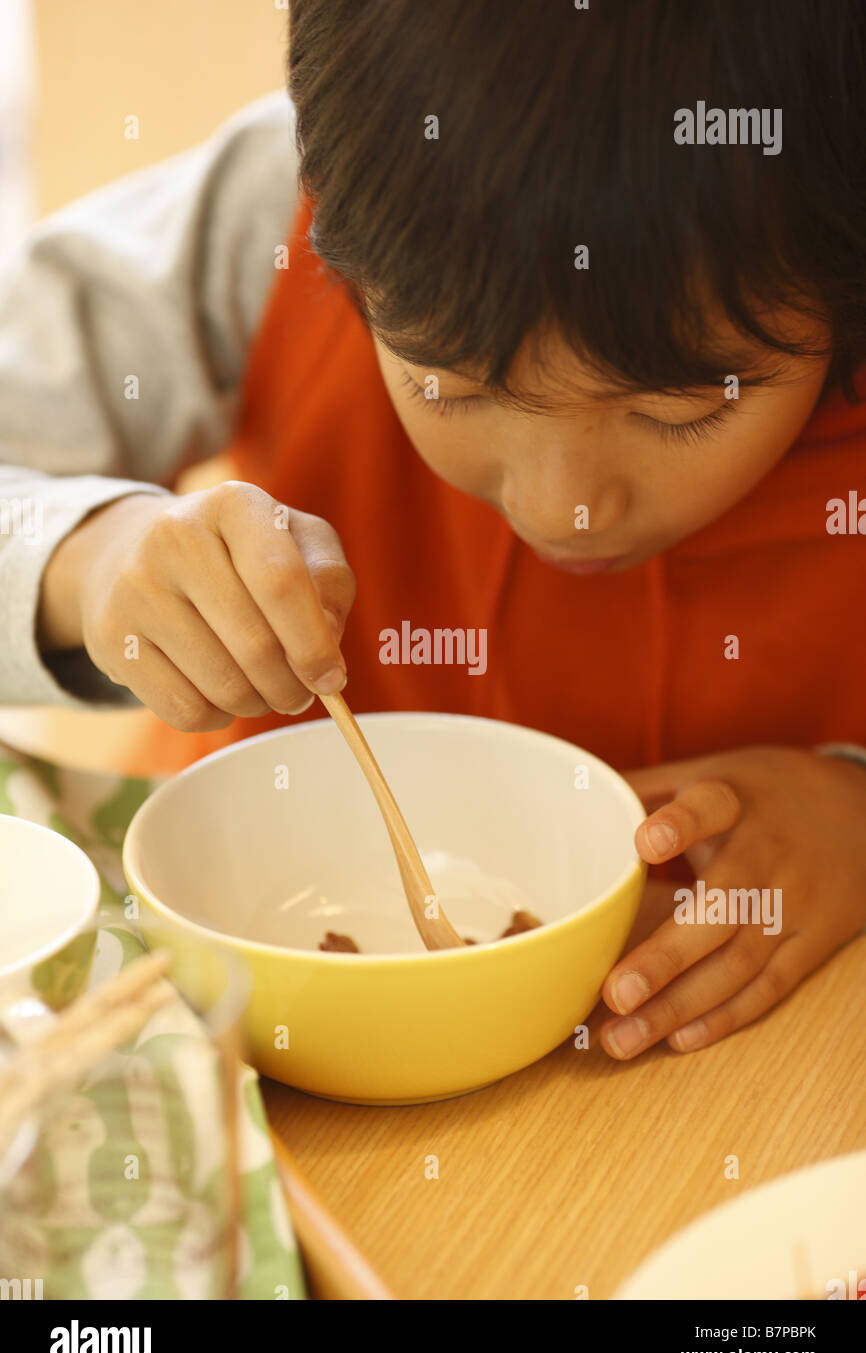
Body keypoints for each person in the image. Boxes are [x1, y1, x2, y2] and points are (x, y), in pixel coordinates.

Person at [1, 1, 864, 1062]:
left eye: (679, 410)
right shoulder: (313, 197)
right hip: (263, 1034)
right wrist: (88, 559)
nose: (560, 506)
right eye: (446, 380)